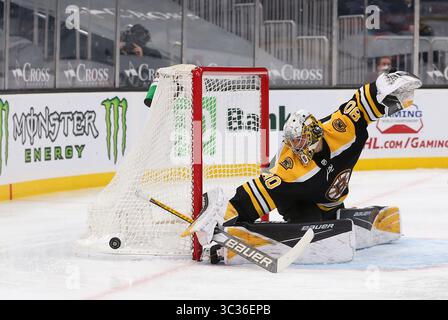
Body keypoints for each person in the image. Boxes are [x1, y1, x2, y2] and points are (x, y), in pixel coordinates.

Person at [182, 69, 422, 264]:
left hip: (328, 198)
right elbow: (262, 190)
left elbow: (360, 106)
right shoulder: (290, 168)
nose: (296, 147)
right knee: (312, 226)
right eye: (292, 142)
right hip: (298, 199)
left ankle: (337, 216)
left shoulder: (341, 130)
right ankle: (260, 235)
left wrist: (383, 89)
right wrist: (226, 215)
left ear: (315, 134)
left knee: (331, 218)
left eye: (300, 141)